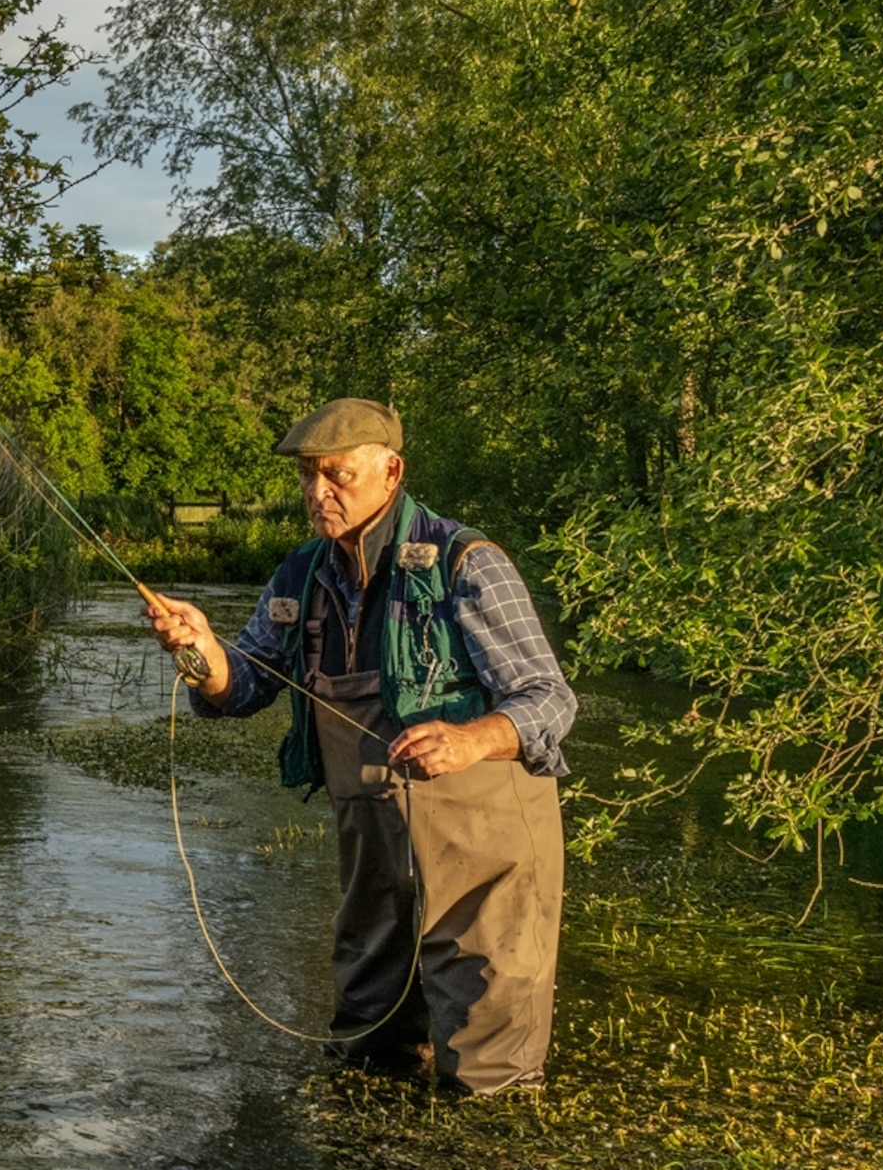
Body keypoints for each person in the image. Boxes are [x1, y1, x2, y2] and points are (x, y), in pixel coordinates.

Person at [143, 398, 576, 1093]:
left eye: (337, 475)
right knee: (366, 1056)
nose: (318, 494)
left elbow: (550, 700)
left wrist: (469, 740)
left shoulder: (467, 563)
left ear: (391, 470)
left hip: (487, 856)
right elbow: (244, 684)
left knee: (487, 1073)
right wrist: (200, 651)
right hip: (376, 859)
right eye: (308, 478)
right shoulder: (300, 577)